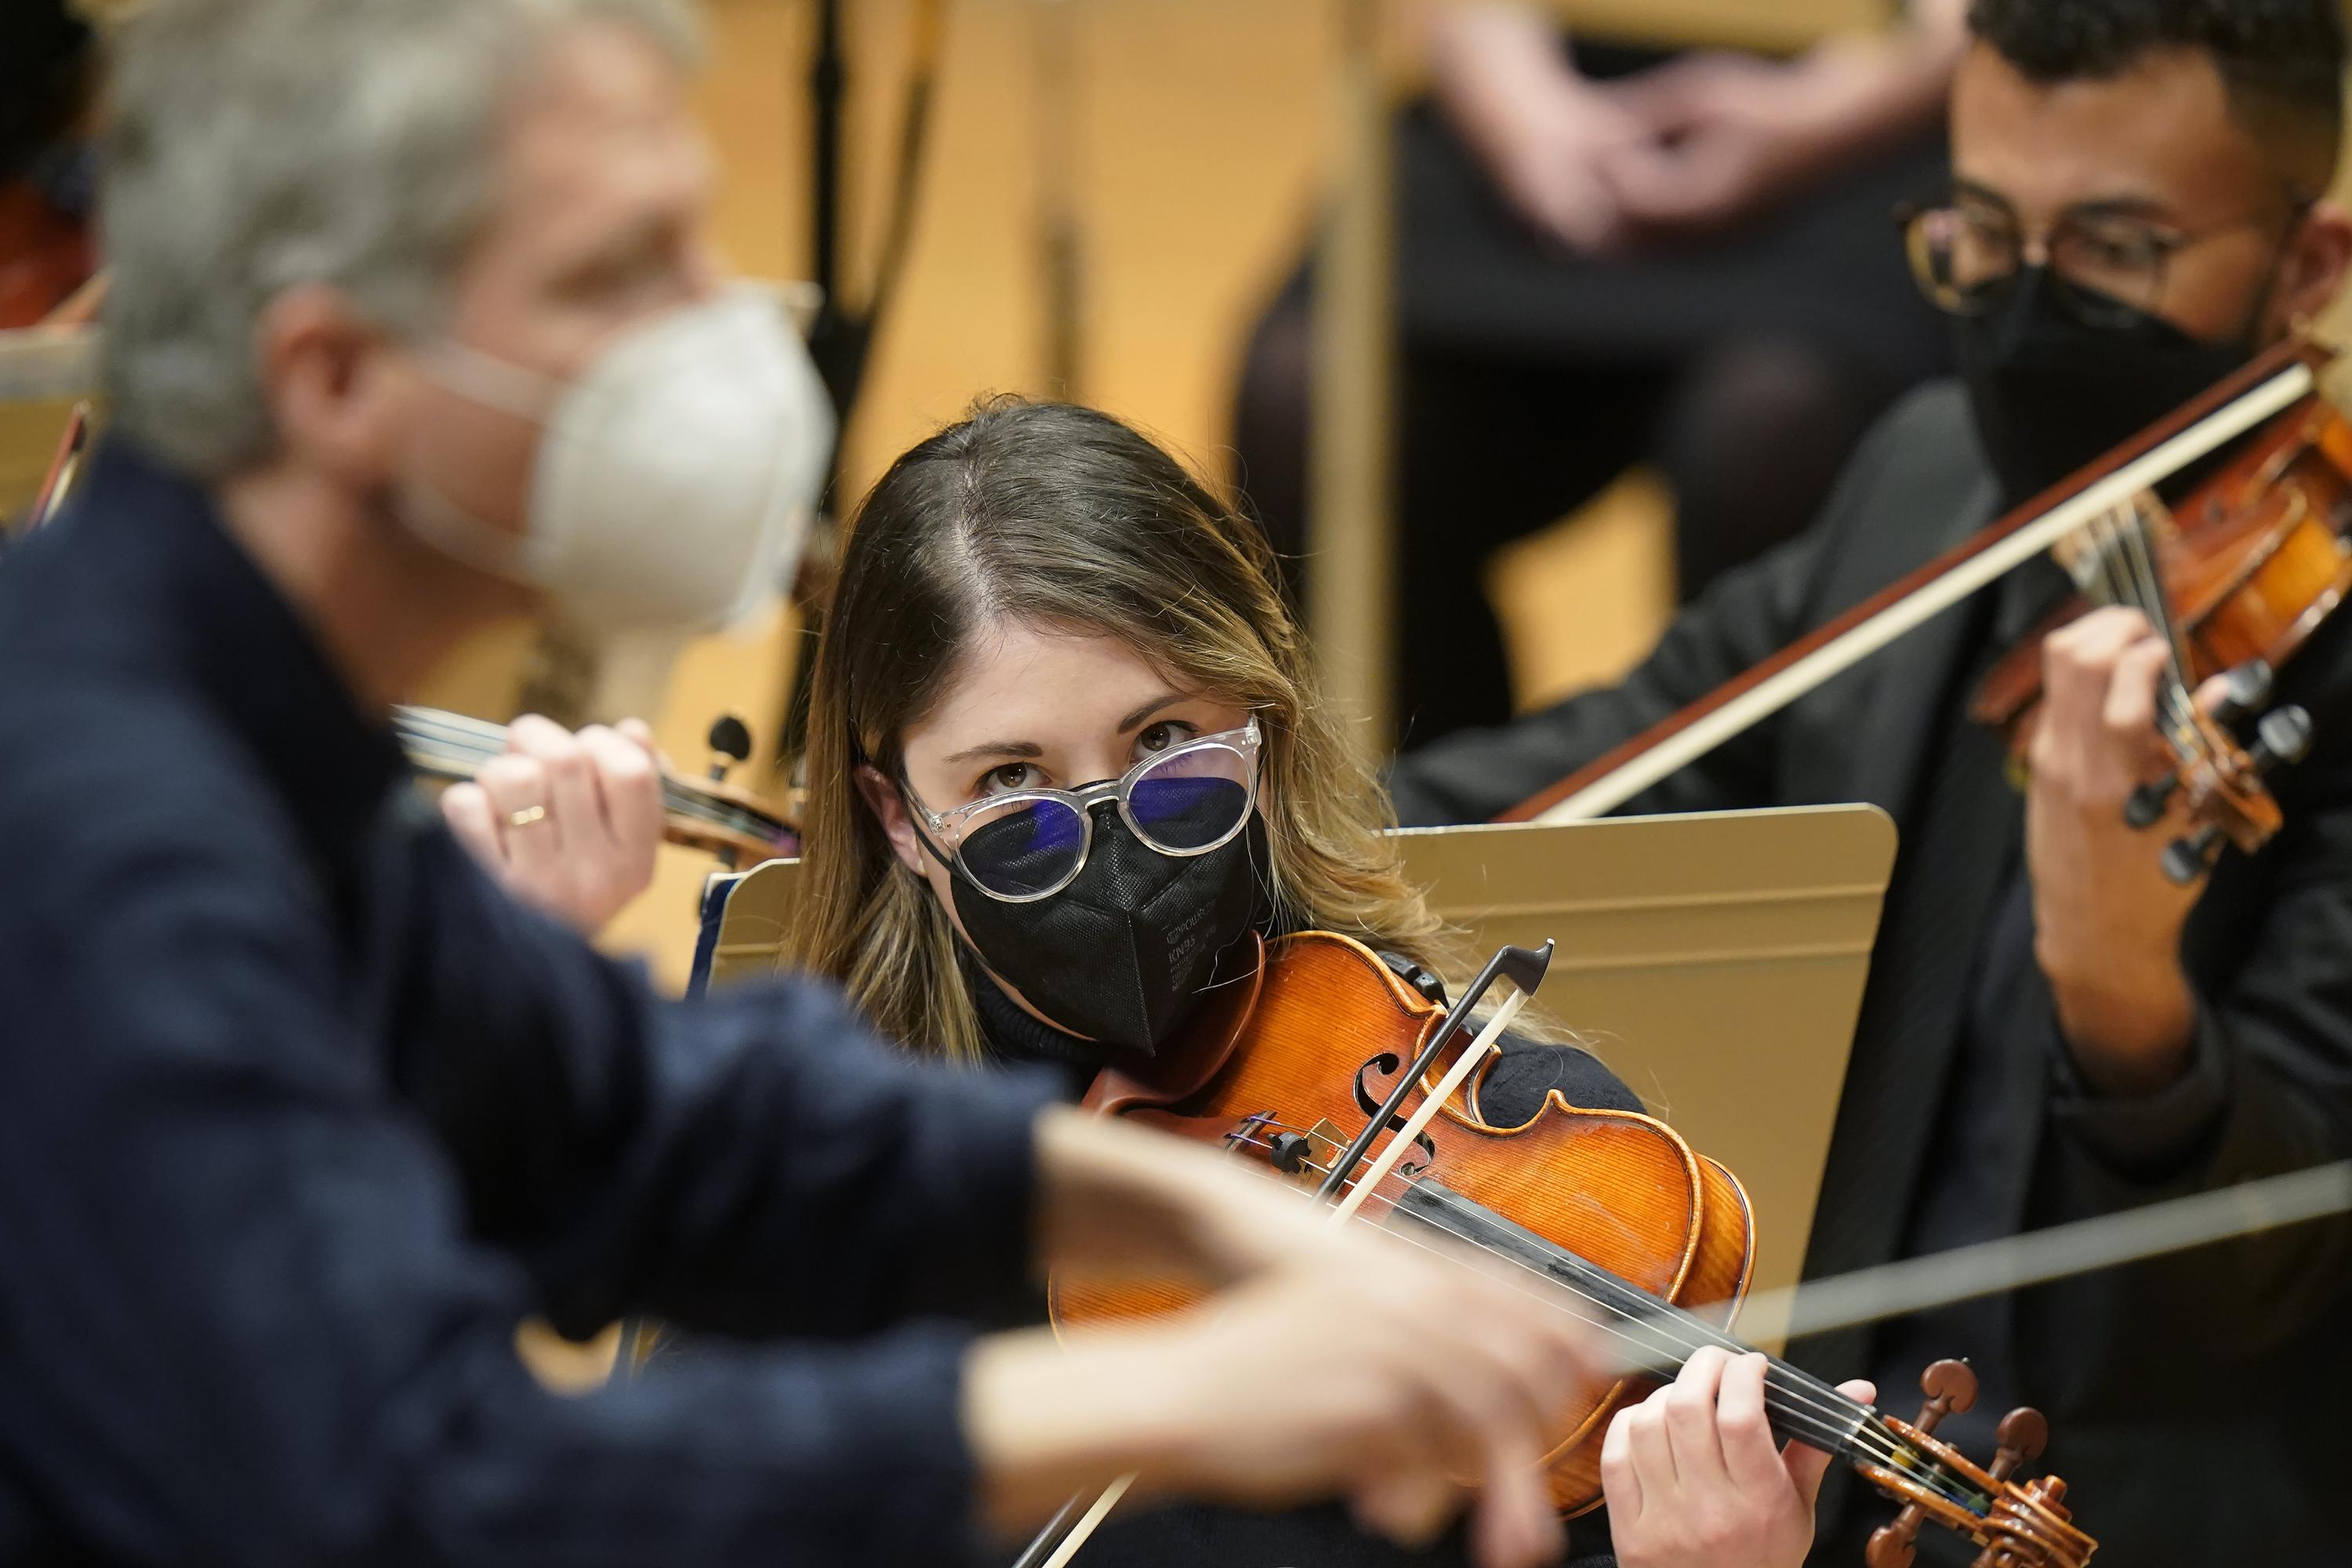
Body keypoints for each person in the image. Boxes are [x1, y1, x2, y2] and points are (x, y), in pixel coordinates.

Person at [0, 2, 1638, 1563]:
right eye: (615, 272)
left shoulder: (254, 718)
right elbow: (436, 1496)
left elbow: (652, 1106)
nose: (722, 330)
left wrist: (1199, 1216)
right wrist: (1182, 1390)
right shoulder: (112, 844)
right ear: (337, 380)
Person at [1386, 2, 2352, 1563]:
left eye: (2111, 251)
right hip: (1804, 1465)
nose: (2026, 313)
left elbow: (2262, 1288)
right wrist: (1204, 804)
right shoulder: (1930, 479)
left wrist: (2126, 1004)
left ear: (2307, 268)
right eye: (1983, 233)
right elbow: (1603, 754)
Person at [773, 395, 1874, 1568]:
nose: (1111, 839)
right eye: (1009, 782)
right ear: (898, 817)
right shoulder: (807, 1176)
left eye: (1163, 745)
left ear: (1261, 724)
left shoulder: (1514, 1153)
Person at [1231, 0, 1966, 746]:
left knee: (1775, 426)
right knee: (1311, 397)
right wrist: (1528, 112)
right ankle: (1419, 826)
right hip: (1530, 77)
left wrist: (1823, 115)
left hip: (1863, 101)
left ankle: (1748, 824)